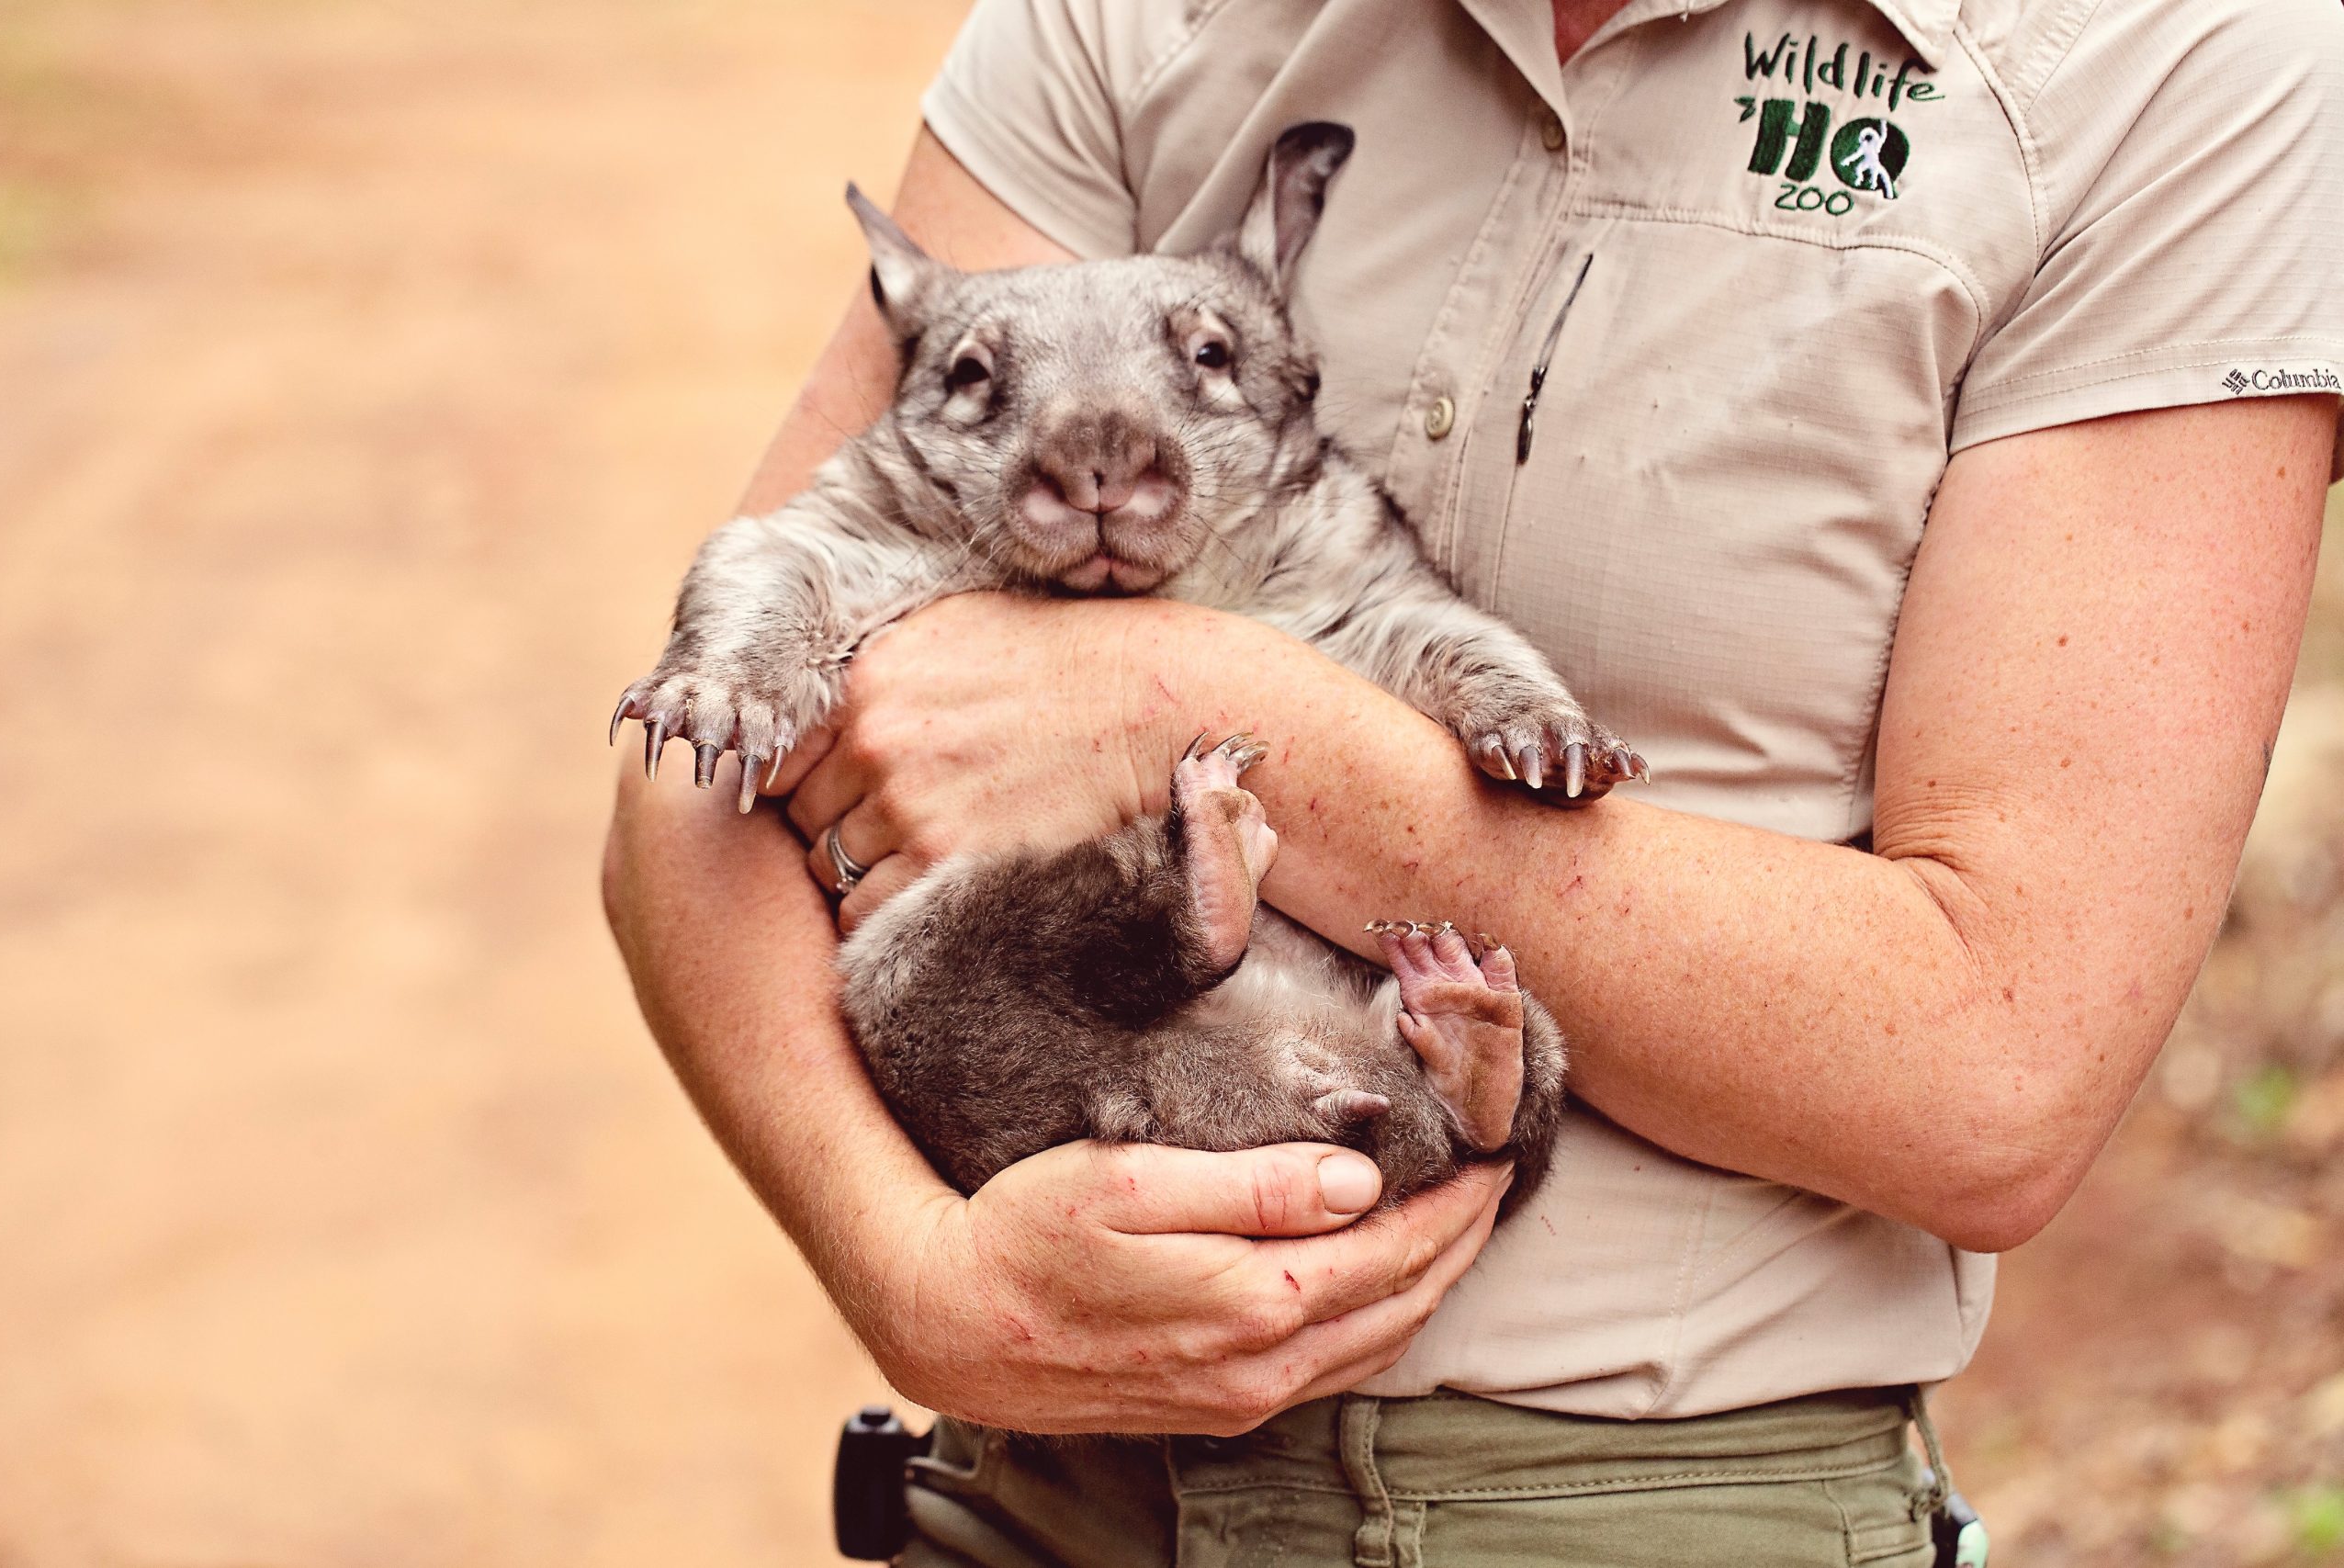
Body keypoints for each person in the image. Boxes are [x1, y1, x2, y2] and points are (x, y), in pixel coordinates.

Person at [603, 0, 2344, 1560]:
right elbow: (700, 787)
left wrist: (1187, 704)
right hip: (1035, 1482)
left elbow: (1997, 1073)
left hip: (1641, 1509)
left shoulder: (2180, 66)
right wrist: (918, 1278)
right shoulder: (1143, 22)